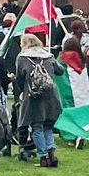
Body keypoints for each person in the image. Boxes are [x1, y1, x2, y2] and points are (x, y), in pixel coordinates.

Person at [13, 32, 64, 168]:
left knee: (37, 126)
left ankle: (43, 157)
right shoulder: (48, 56)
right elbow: (60, 71)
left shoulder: (22, 58)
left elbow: (20, 78)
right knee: (48, 125)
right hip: (51, 95)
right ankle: (51, 152)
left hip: (33, 96)